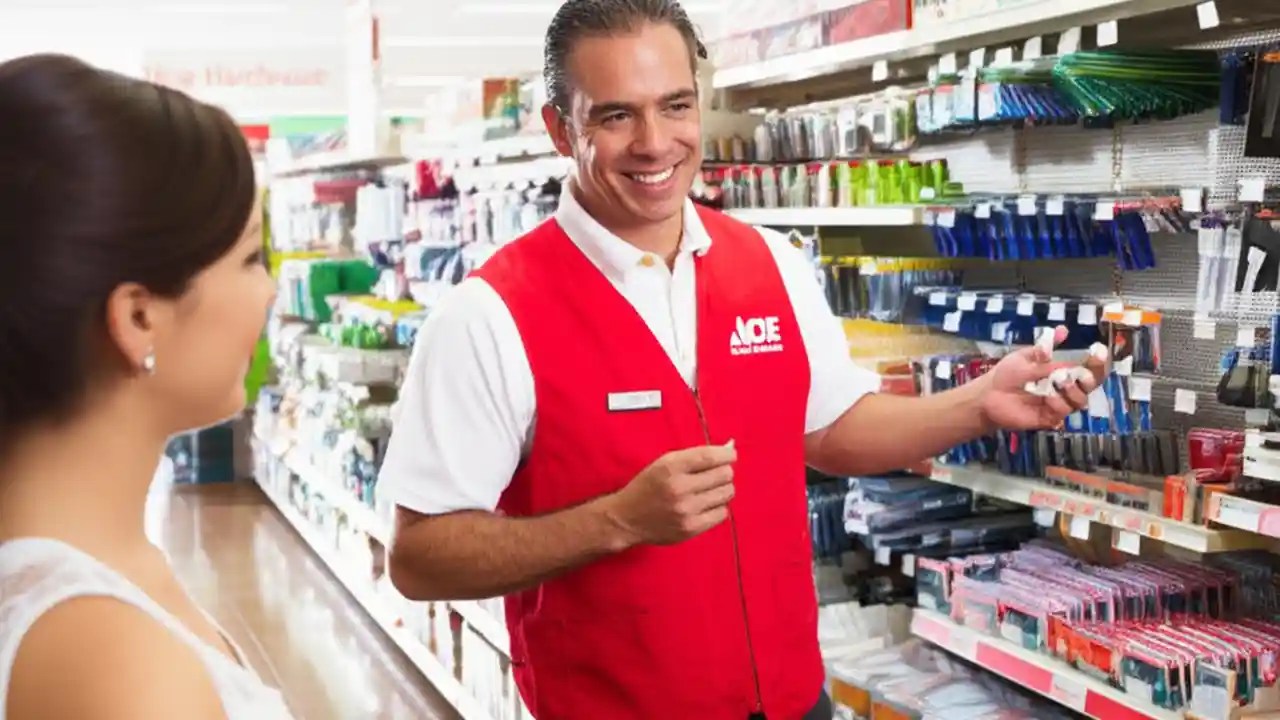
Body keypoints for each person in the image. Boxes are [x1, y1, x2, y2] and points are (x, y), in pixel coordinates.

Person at [379, 1, 1106, 718]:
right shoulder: (490, 314)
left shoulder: (771, 265)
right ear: (559, 130)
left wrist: (977, 404)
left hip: (791, 702)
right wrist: (617, 521)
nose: (656, 142)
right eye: (615, 115)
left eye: (675, 106)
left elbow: (831, 429)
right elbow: (418, 556)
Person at [0, 54, 290, 720]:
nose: (271, 289)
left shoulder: (88, 577)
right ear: (138, 318)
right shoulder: (111, 660)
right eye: (250, 258)